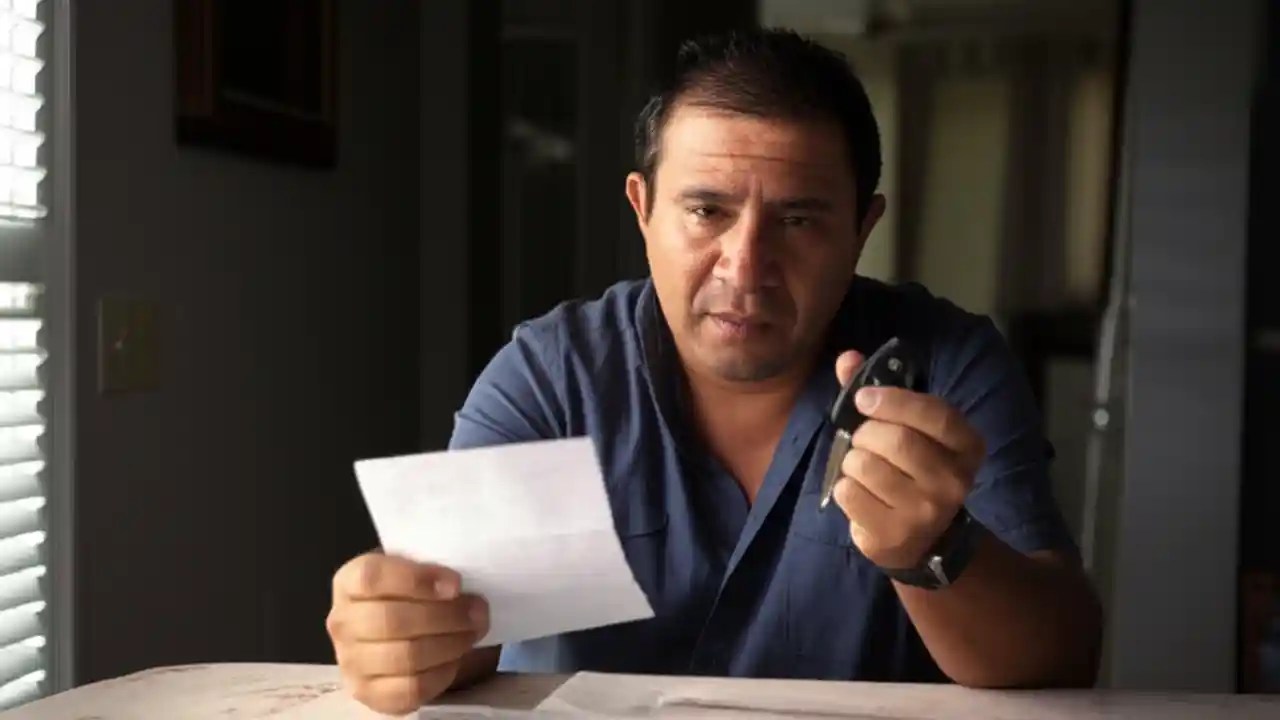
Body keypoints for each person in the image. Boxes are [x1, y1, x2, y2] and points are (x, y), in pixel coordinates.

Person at [326, 28, 1103, 715]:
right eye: (707, 211)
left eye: (798, 220)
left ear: (863, 227)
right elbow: (460, 641)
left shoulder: (946, 363)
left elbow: (1060, 662)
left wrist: (935, 550)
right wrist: (398, 639)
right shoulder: (550, 376)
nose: (747, 266)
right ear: (643, 209)